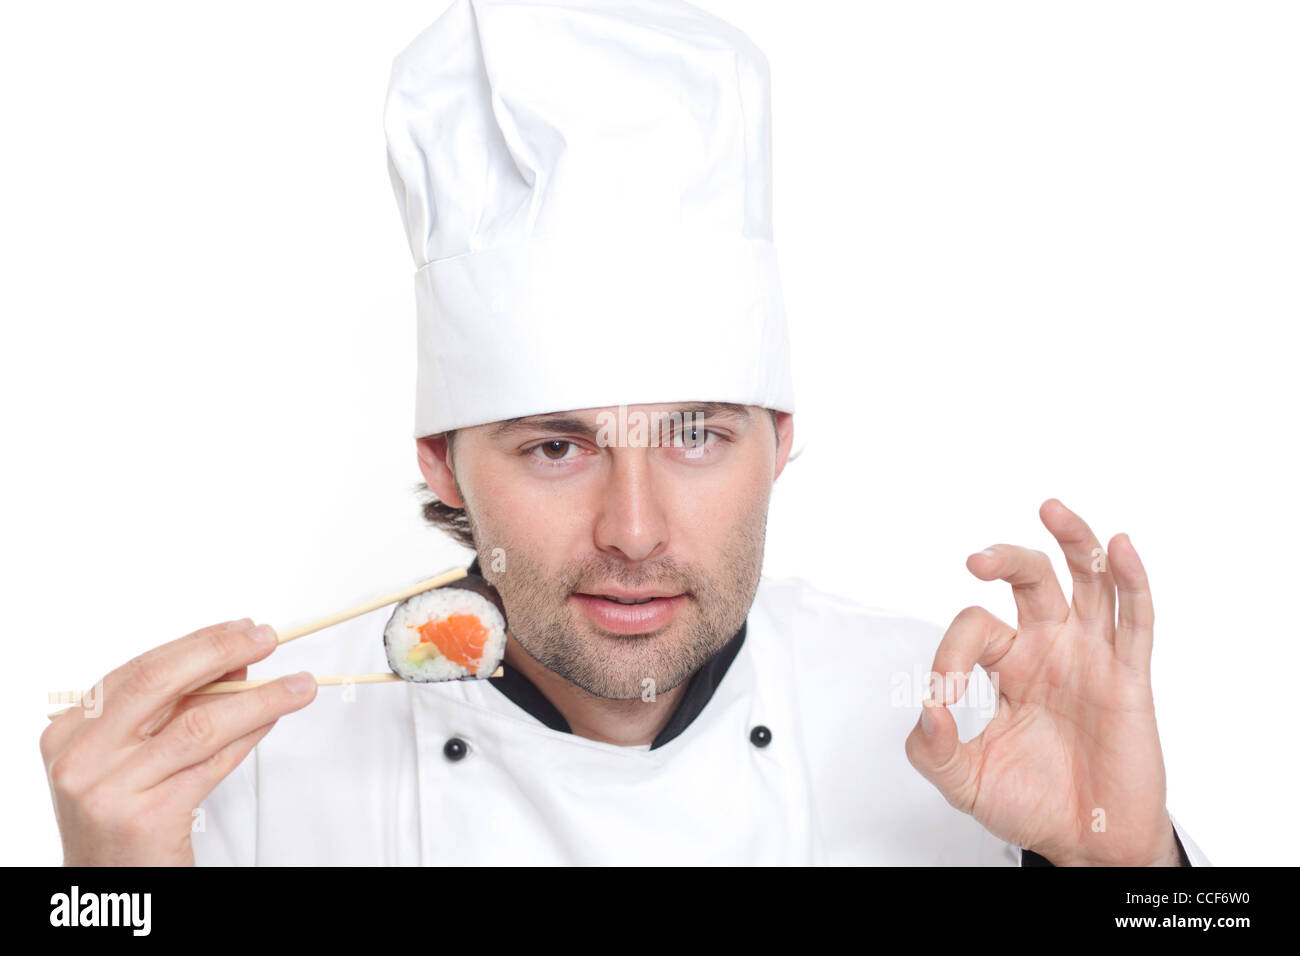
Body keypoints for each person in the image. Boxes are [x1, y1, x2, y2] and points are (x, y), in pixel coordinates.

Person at [39, 0, 1208, 866]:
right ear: (441, 458)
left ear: (781, 439)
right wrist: (98, 899)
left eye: (695, 434)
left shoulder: (957, 719)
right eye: (557, 445)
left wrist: (1130, 869)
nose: (635, 529)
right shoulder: (249, 775)